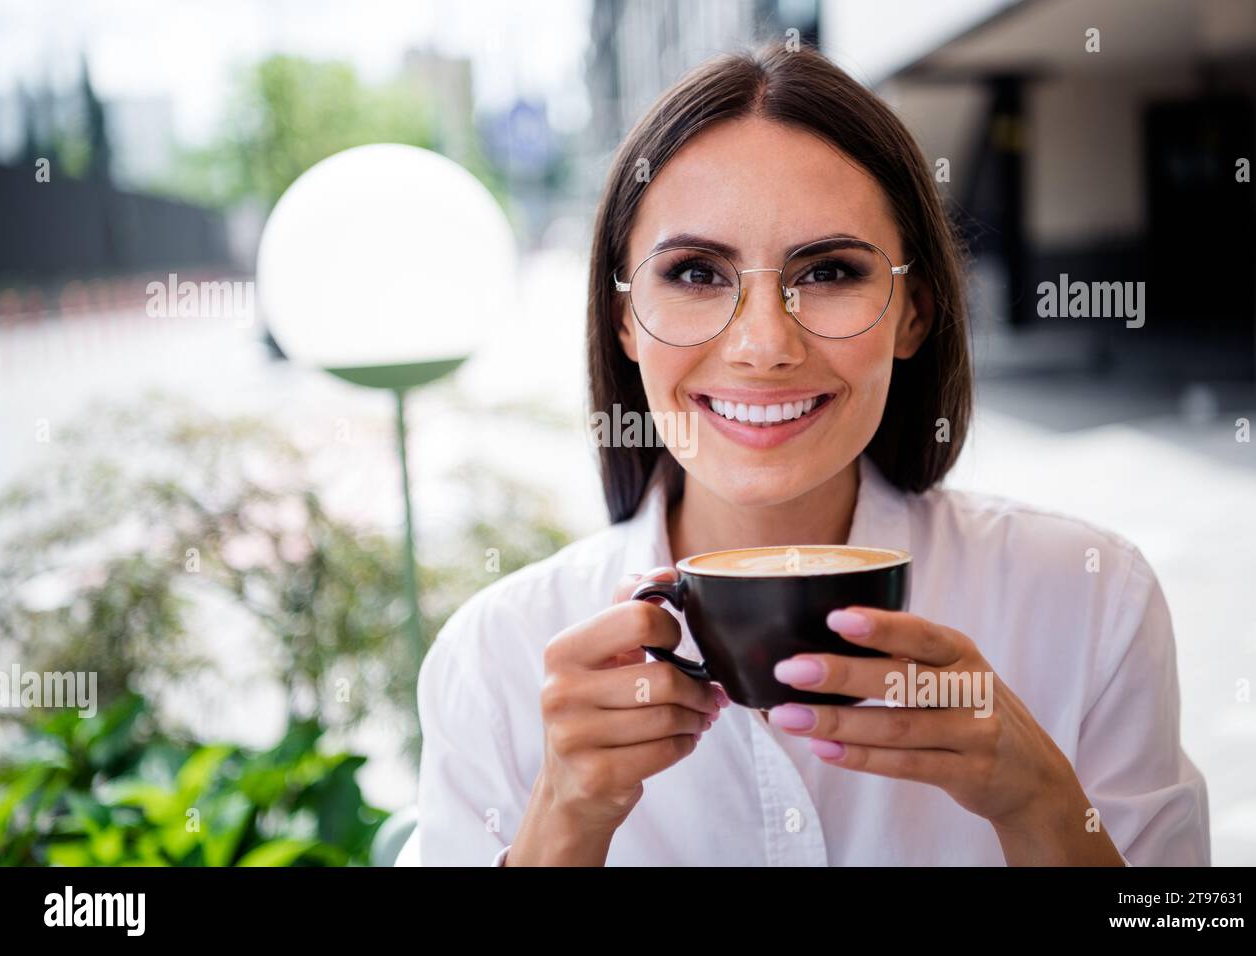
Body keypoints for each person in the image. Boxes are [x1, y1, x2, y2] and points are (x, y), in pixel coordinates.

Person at [405, 42, 1209, 866]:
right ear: (622, 318)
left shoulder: (1089, 601)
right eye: (694, 273)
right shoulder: (494, 659)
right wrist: (558, 829)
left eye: (828, 270)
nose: (763, 345)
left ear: (915, 313)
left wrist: (1038, 801)